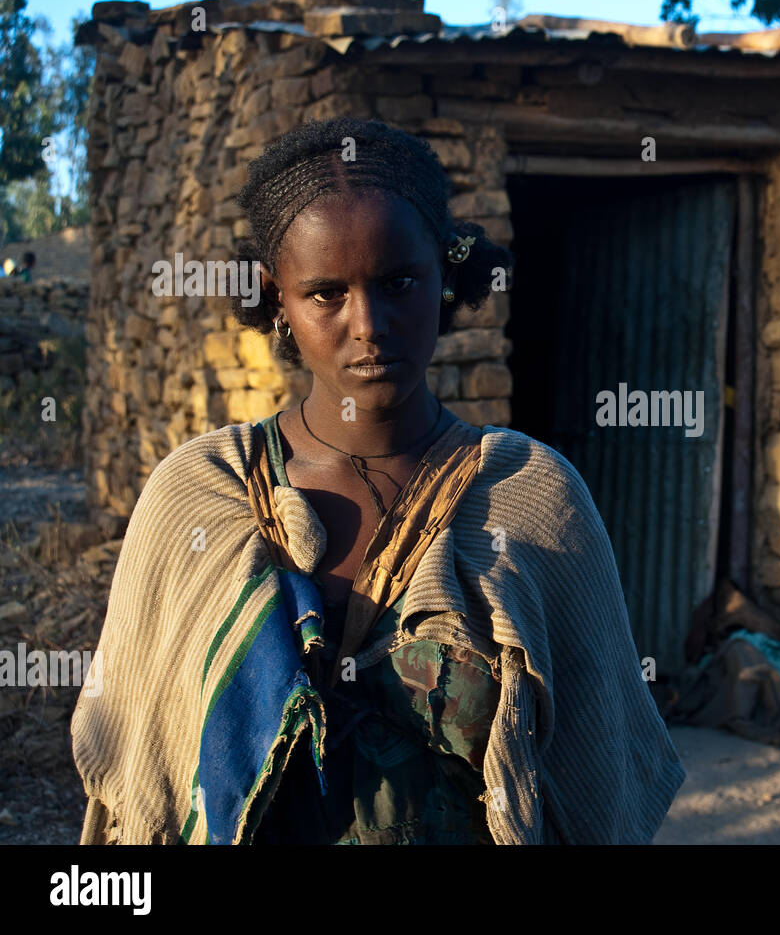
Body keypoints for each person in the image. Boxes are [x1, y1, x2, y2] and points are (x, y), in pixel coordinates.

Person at [70, 117, 685, 845]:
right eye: (326, 292)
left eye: (398, 282)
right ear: (278, 302)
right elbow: (141, 779)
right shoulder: (199, 493)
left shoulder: (533, 495)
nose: (368, 323)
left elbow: (597, 785)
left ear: (446, 275)